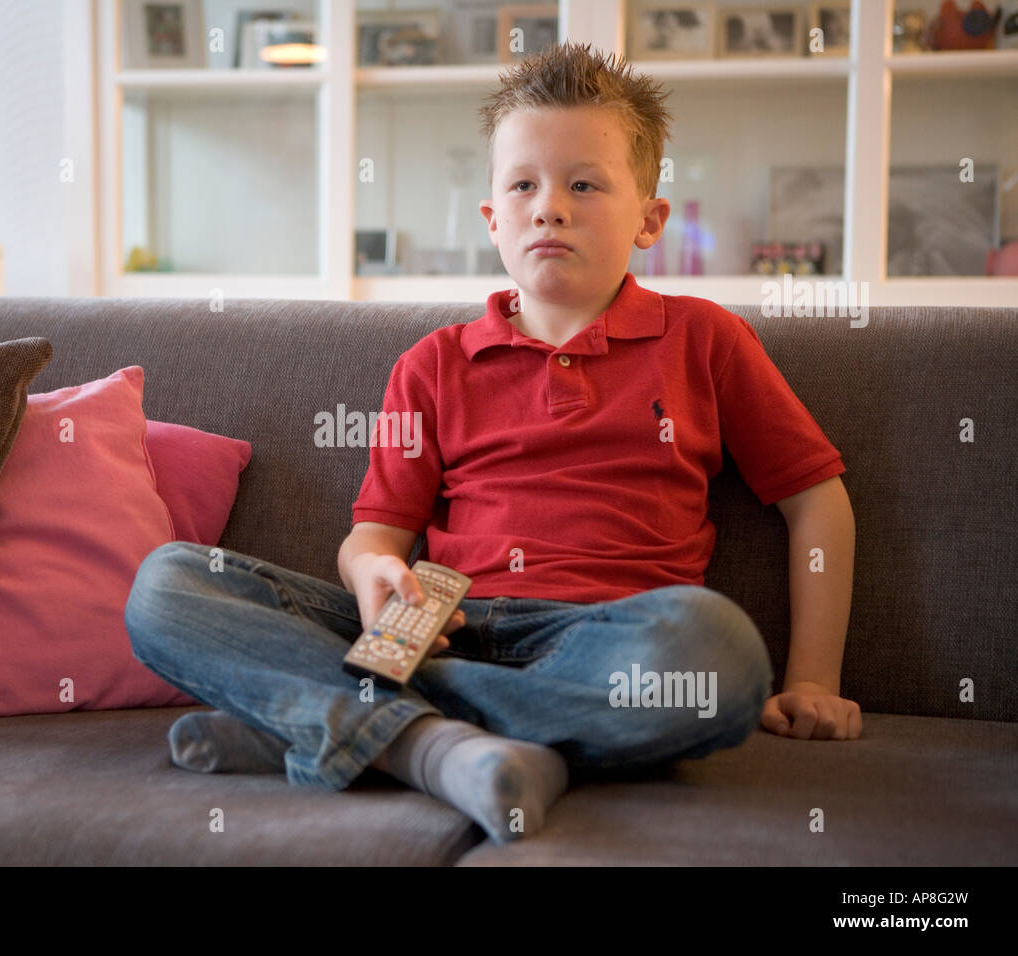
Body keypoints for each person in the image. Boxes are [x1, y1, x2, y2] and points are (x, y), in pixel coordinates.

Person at [124, 41, 860, 846]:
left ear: (651, 218)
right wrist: (374, 575)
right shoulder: (432, 365)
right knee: (169, 584)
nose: (550, 207)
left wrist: (813, 681)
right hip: (443, 626)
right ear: (493, 218)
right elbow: (375, 537)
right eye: (524, 185)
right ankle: (446, 744)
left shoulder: (704, 340)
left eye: (584, 183)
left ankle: (362, 730)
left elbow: (816, 500)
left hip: (601, 644)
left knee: (719, 655)